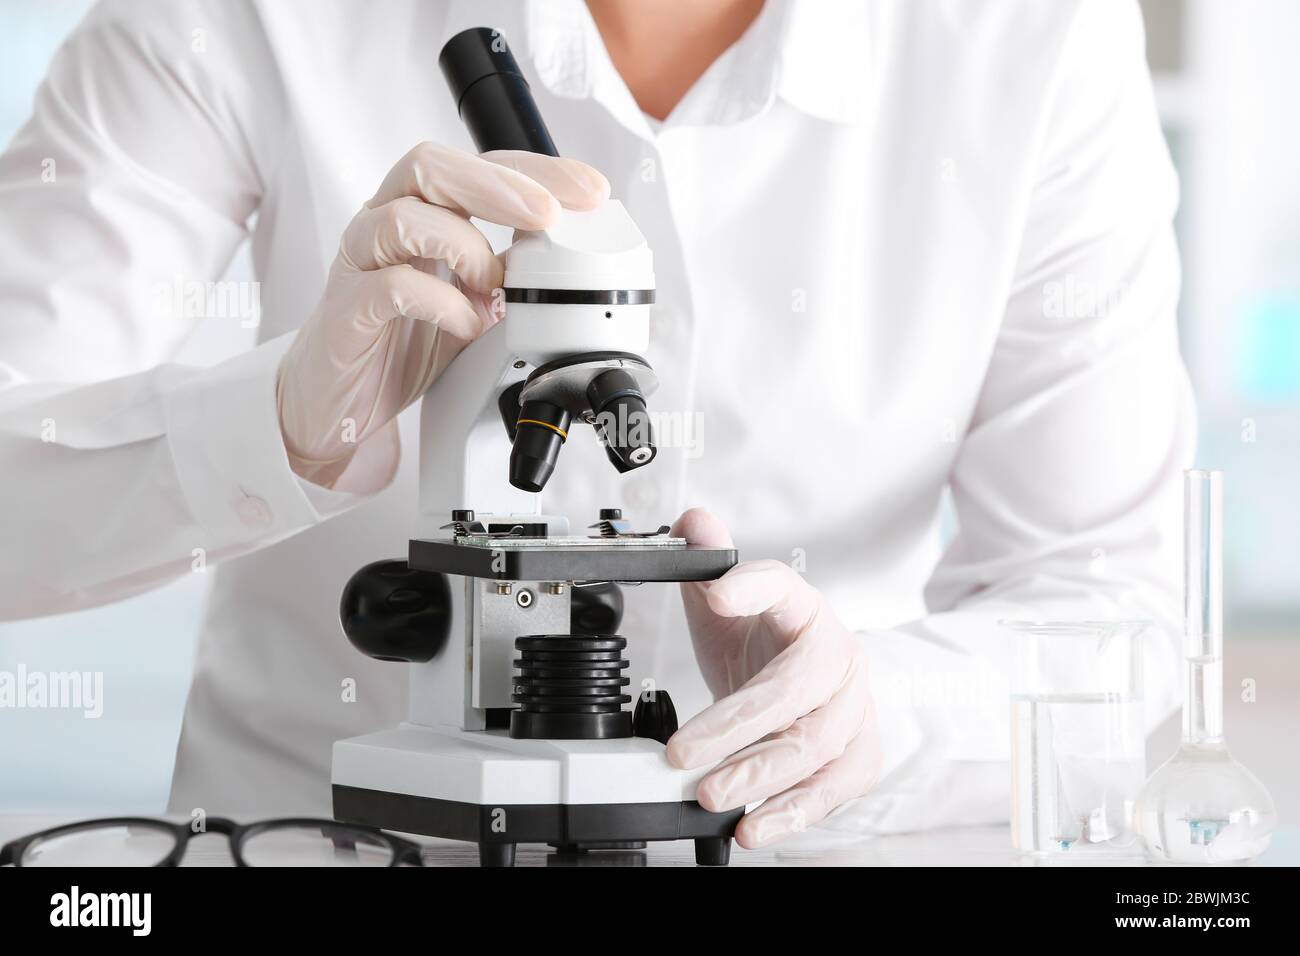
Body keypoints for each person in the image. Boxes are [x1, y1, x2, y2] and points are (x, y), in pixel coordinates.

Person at [0, 0, 1191, 849]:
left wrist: (869, 710)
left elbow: (1110, 609)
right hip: (314, 834)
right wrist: (281, 423)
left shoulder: (1034, 36)